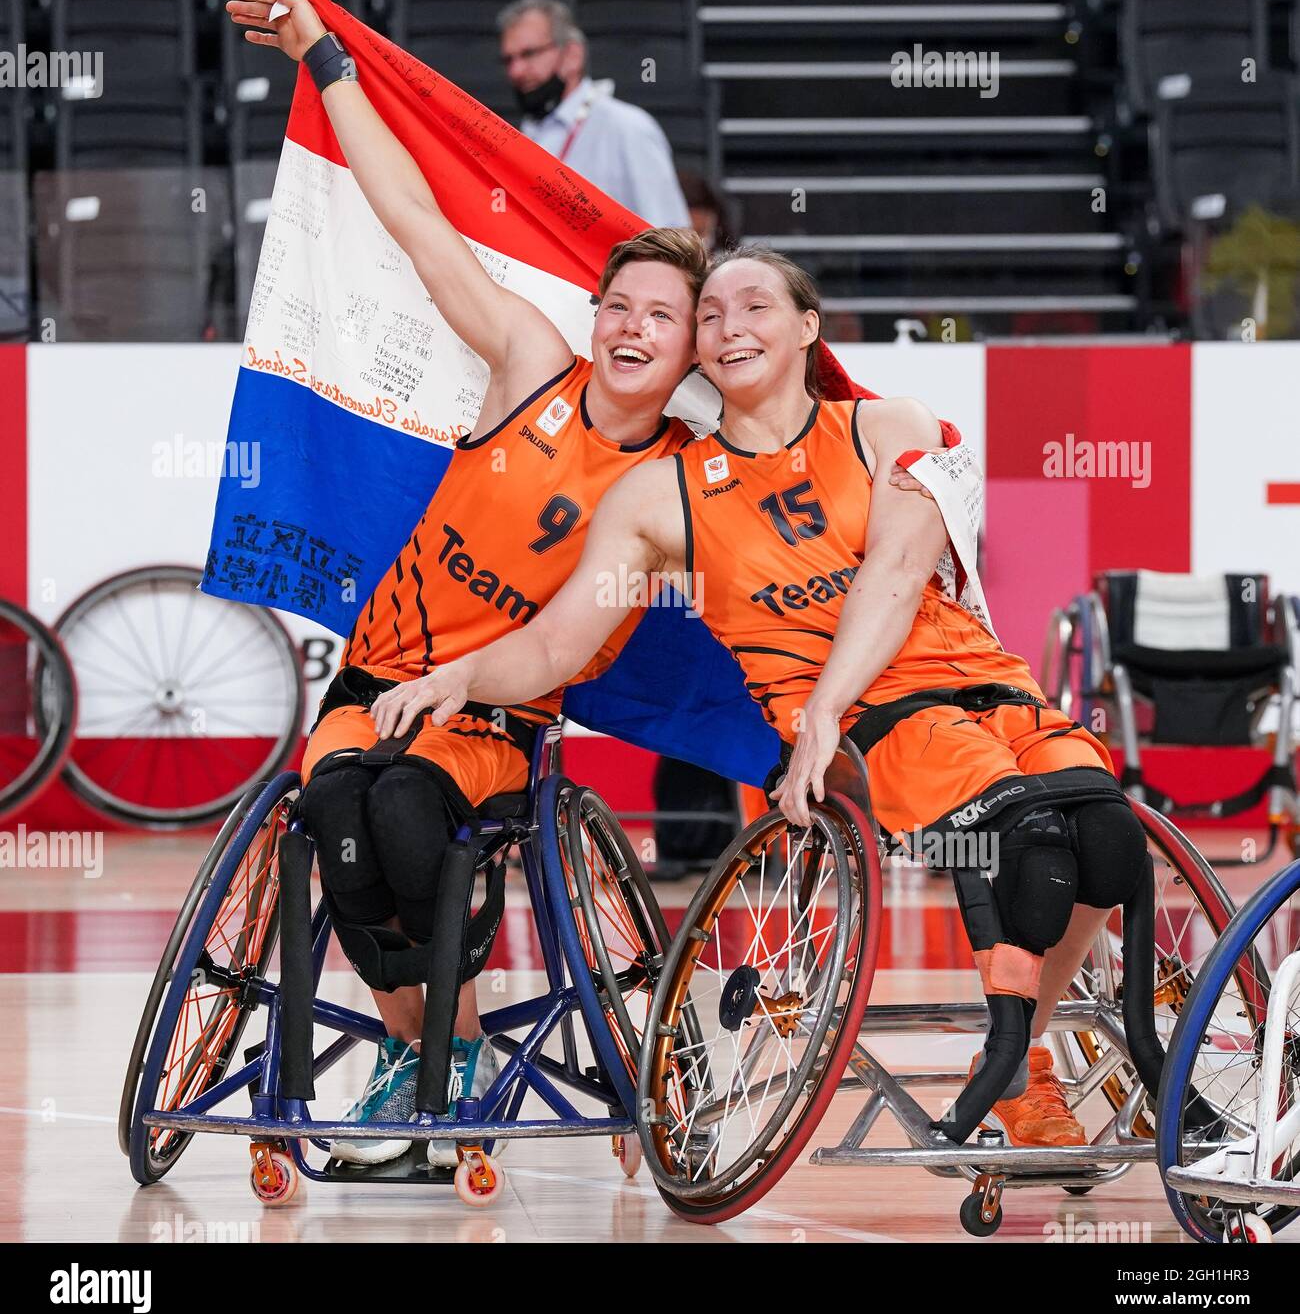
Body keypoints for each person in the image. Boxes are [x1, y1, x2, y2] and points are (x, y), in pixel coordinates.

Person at [372, 245, 1154, 1151]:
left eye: (754, 307)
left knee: (1109, 838)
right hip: (871, 724)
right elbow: (556, 644)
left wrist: (823, 706)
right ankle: (1020, 1071)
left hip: (984, 682)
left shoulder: (889, 426)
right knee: (1033, 843)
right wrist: (462, 674)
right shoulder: (659, 495)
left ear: (808, 328)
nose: (729, 326)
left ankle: (1021, 1051)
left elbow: (898, 573)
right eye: (709, 315)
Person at [226, 0, 708, 1167]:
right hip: (375, 673)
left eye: (661, 316)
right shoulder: (531, 360)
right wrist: (327, 60)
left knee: (403, 811)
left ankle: (446, 1044)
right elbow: (411, 218)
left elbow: (571, 640)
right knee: (334, 813)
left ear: (694, 345)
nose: (631, 326)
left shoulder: (674, 486)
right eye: (618, 305)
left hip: (493, 711)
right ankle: (428, 1047)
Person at [499, 0, 690, 229]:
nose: (516, 71)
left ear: (573, 55)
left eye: (529, 54)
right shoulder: (523, 132)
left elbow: (671, 233)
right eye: (508, 60)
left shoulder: (627, 128)